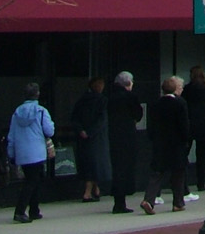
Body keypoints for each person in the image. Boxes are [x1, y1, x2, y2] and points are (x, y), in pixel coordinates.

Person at [141, 76, 191, 214]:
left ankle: (149, 200)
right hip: (176, 145)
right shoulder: (180, 103)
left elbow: (150, 125)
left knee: (157, 173)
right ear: (175, 89)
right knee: (178, 174)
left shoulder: (156, 104)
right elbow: (184, 125)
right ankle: (178, 203)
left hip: (160, 144)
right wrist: (186, 139)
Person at [6, 82, 53, 223]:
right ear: (37, 94)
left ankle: (34, 210)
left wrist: (11, 153)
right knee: (32, 182)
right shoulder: (41, 111)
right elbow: (49, 130)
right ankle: (20, 211)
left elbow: (12, 136)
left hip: (22, 152)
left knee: (33, 180)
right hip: (37, 152)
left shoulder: (16, 113)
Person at [105, 71, 143, 214]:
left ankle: (118, 201)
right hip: (127, 135)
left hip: (113, 135)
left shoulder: (110, 97)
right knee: (126, 167)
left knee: (117, 167)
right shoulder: (130, 97)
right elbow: (138, 114)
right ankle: (121, 201)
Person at [70, 77, 110, 203]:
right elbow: (102, 120)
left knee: (89, 164)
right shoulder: (102, 101)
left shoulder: (82, 101)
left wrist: (81, 130)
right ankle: (88, 192)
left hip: (83, 139)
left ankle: (96, 189)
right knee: (95, 166)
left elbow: (74, 118)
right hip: (97, 138)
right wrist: (91, 132)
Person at [183, 66, 205, 194]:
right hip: (204, 125)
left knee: (184, 153)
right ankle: (201, 183)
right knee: (202, 156)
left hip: (189, 124)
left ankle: (183, 182)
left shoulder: (187, 89)